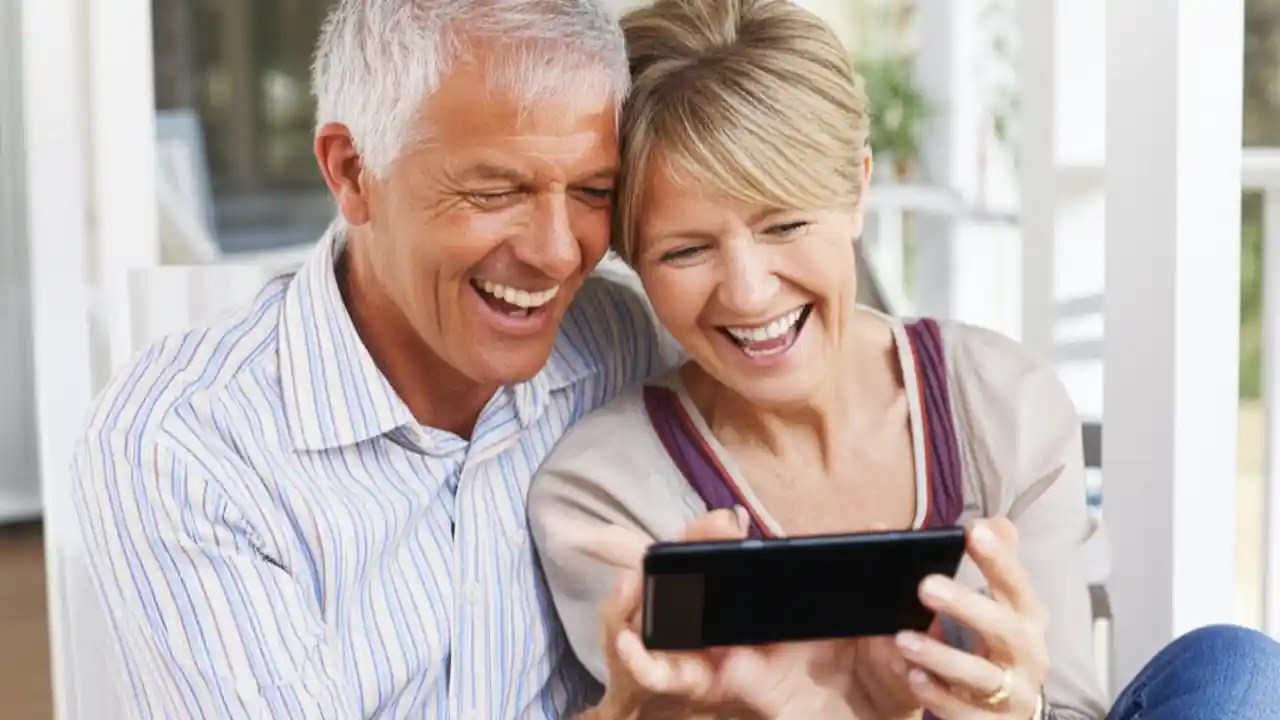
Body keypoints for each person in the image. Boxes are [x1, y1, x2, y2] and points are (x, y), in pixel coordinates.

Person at [528, 1, 1280, 718]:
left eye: (786, 223)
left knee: (1235, 667)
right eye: (686, 250)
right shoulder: (603, 494)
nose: (749, 292)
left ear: (858, 189)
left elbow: (1070, 708)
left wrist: (1012, 710)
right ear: (631, 255)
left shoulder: (1001, 405)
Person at [70, 1, 676, 717]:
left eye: (591, 192)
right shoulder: (181, 448)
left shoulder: (618, 344)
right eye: (494, 190)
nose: (556, 250)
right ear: (353, 172)